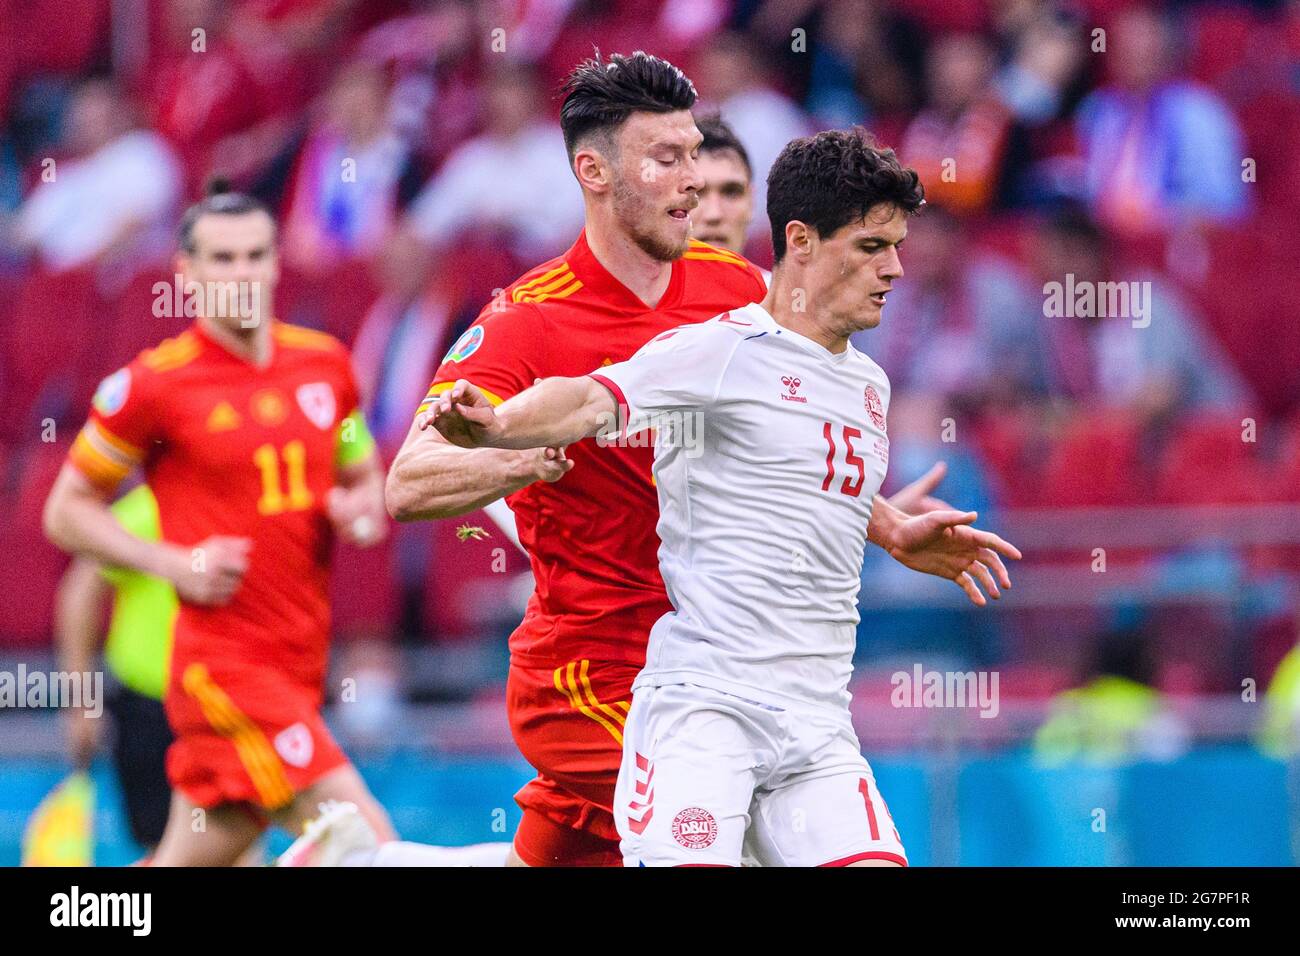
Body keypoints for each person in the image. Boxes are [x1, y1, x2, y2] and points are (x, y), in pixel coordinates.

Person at [371, 52, 979, 869]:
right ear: (593, 170)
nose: (693, 181)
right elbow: (410, 483)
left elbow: (782, 439)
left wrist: (890, 527)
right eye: (667, 159)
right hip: (597, 670)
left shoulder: (737, 293)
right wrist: (526, 458)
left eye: (696, 154)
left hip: (732, 653)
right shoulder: (526, 321)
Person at [42, 179, 396, 866]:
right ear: (188, 272)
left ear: (274, 263)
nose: (241, 275)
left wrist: (361, 509)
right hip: (225, 674)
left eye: (254, 256)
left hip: (299, 663)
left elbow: (361, 474)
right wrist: (174, 564)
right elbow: (65, 512)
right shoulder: (153, 387)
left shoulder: (327, 365)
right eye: (222, 259)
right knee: (367, 843)